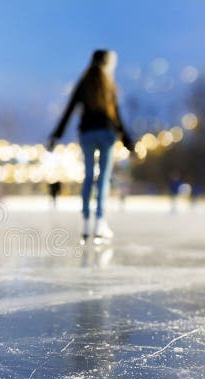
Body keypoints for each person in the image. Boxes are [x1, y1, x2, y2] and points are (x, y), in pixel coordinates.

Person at [47, 50, 136, 243]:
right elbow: (116, 115)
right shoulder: (109, 85)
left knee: (88, 176)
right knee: (103, 178)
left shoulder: (83, 83)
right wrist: (127, 140)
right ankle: (99, 223)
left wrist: (56, 135)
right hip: (107, 133)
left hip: (87, 133)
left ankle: (86, 222)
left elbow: (69, 110)